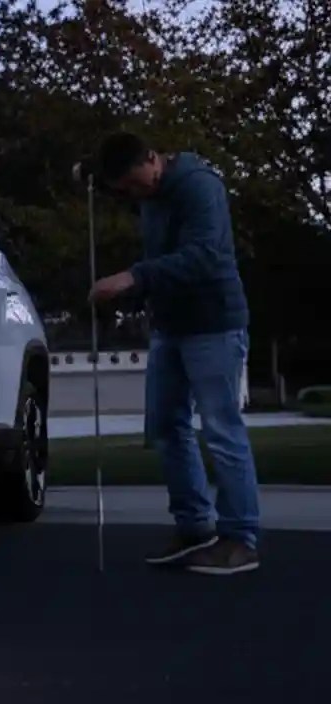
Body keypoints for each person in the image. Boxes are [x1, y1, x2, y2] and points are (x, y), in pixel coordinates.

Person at [87, 131, 261, 575]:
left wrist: (132, 278)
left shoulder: (199, 185)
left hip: (215, 324)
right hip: (172, 327)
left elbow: (203, 256)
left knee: (221, 428)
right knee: (166, 425)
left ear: (154, 158)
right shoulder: (151, 191)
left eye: (134, 184)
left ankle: (240, 539)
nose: (133, 194)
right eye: (123, 189)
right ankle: (194, 527)